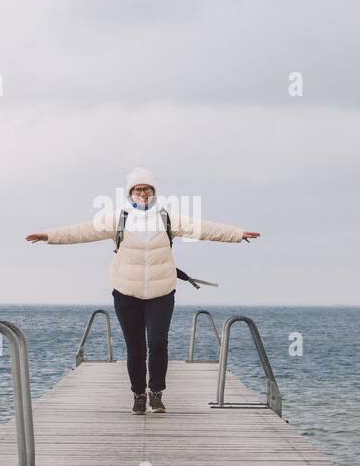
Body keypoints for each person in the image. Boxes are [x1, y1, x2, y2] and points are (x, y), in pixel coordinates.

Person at [26, 168, 260, 414]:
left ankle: (156, 392)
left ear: (154, 192)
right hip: (126, 294)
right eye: (138, 189)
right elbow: (81, 231)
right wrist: (49, 235)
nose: (143, 193)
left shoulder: (167, 217)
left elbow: (203, 228)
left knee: (158, 343)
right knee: (135, 347)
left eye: (147, 189)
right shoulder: (118, 218)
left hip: (161, 293)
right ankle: (138, 394)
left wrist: (237, 234)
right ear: (130, 193)